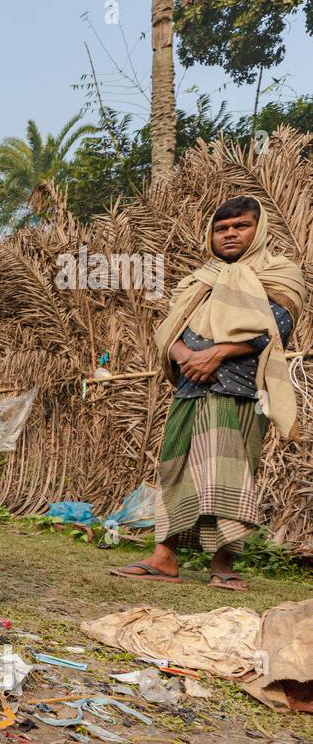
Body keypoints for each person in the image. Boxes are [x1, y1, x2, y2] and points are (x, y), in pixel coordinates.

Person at [113, 196, 306, 590]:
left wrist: (216, 354)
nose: (231, 234)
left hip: (242, 391)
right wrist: (184, 354)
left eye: (241, 226)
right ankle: (164, 558)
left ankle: (223, 564)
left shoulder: (281, 273)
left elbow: (276, 326)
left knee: (231, 474)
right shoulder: (199, 281)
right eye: (222, 228)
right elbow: (171, 328)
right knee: (176, 468)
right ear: (211, 235)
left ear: (260, 229)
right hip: (190, 388)